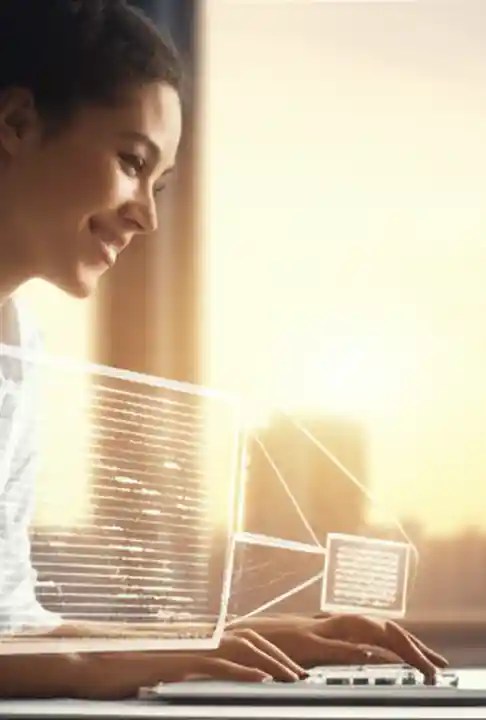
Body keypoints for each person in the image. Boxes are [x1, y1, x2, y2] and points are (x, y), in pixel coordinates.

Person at [0, 0, 447, 699]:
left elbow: (8, 628)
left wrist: (216, 641)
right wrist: (103, 664)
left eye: (160, 184)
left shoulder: (20, 344)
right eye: (130, 161)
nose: (146, 213)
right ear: (18, 123)